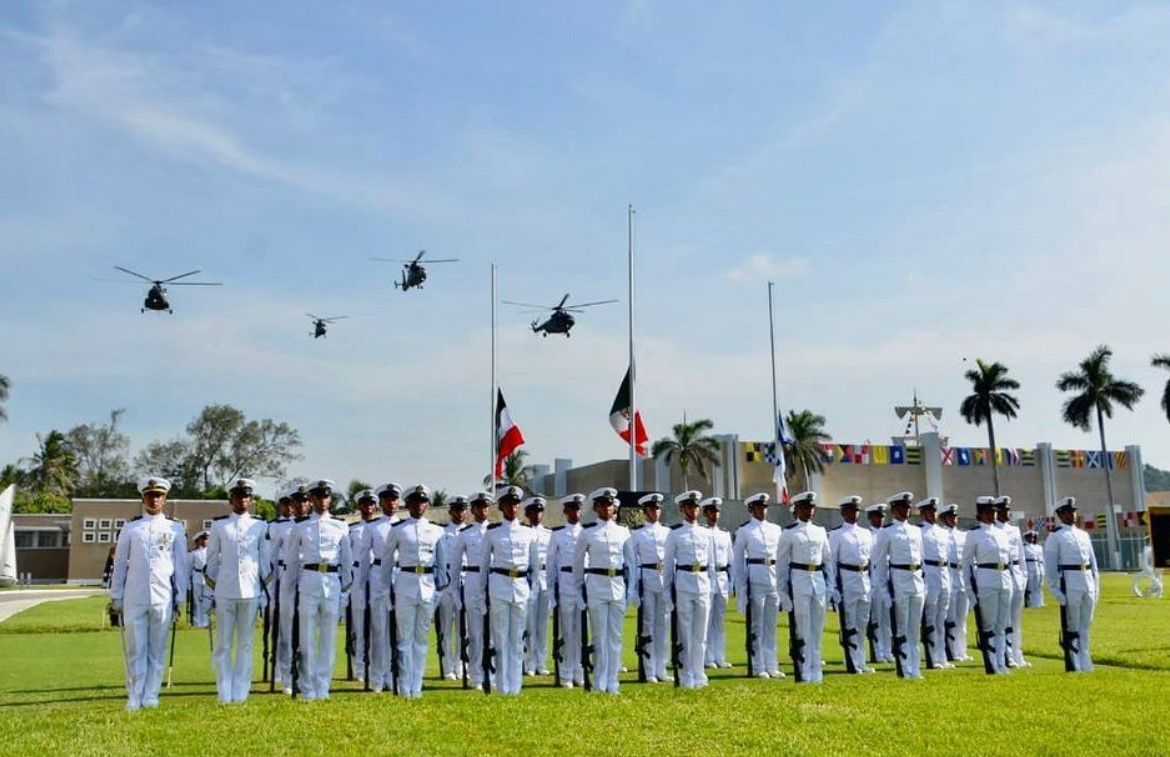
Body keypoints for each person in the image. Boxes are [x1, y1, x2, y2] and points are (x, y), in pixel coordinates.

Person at [108, 476, 189, 711]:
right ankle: (134, 695)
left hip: (163, 596)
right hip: (135, 595)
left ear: (165, 499)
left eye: (158, 496)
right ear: (143, 499)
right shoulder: (131, 528)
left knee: (157, 649)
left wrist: (180, 596)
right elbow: (120, 563)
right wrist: (116, 595)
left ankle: (151, 695)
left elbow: (181, 565)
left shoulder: (174, 528)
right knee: (136, 648)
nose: (154, 500)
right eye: (150, 496)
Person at [283, 479, 353, 701]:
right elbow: (292, 563)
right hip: (309, 580)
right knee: (306, 638)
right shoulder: (301, 526)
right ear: (311, 499)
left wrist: (345, 593)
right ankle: (307, 686)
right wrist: (287, 595)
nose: (322, 501)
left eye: (326, 496)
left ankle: (323, 686)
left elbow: (347, 563)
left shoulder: (341, 525)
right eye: (318, 497)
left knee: (328, 639)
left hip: (332, 582)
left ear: (330, 499)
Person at [205, 477, 272, 704]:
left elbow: (265, 561)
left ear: (251, 500)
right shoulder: (220, 525)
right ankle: (225, 693)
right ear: (231, 499)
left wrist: (267, 592)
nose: (242, 500)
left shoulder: (260, 525)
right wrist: (212, 590)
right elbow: (211, 560)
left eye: (246, 496)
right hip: (225, 590)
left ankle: (241, 693)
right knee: (223, 645)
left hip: (251, 590)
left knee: (246, 644)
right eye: (238, 496)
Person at [381, 484, 447, 698]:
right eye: (415, 502)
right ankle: (404, 686)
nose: (419, 505)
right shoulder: (398, 530)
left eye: (423, 501)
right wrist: (386, 593)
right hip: (405, 585)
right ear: (408, 504)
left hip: (427, 586)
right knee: (404, 640)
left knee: (421, 640)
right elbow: (386, 564)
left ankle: (416, 686)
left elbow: (442, 567)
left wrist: (438, 593)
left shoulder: (437, 530)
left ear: (427, 504)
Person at [572, 487, 632, 694]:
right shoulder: (587, 532)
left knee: (615, 636)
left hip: (617, 586)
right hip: (596, 585)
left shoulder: (623, 532)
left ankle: (613, 681)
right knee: (599, 636)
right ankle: (599, 681)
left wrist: (632, 590)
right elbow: (577, 565)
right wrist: (578, 592)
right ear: (596, 507)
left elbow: (631, 564)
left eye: (610, 504)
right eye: (604, 504)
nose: (608, 508)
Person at [480, 485, 537, 695]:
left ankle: (516, 686)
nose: (512, 507)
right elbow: (484, 567)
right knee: (501, 639)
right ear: (501, 506)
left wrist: (533, 592)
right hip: (500, 586)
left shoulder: (529, 533)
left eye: (515, 503)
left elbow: (534, 567)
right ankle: (503, 685)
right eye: (508, 504)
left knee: (517, 639)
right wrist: (481, 596)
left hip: (520, 587)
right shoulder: (492, 533)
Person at [777, 491, 832, 683]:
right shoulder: (789, 533)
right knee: (803, 629)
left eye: (811, 507)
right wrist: (783, 594)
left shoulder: (820, 531)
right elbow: (781, 565)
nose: (809, 510)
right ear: (797, 509)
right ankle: (805, 671)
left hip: (818, 580)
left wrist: (830, 586)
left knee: (817, 629)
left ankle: (816, 670)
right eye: (805, 507)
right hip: (799, 580)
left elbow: (827, 560)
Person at [663, 490, 716, 688]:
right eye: (689, 507)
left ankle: (699, 673)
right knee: (685, 633)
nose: (693, 510)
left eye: (695, 507)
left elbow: (711, 563)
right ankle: (686, 675)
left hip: (702, 583)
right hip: (684, 583)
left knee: (701, 634)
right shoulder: (675, 534)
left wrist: (712, 587)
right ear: (682, 509)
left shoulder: (705, 533)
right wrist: (667, 594)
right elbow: (668, 566)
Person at [872, 491, 926, 679]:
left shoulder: (916, 531)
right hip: (899, 580)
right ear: (894, 509)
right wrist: (884, 592)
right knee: (901, 627)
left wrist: (924, 583)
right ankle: (904, 667)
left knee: (915, 628)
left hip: (916, 580)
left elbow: (922, 559)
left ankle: (915, 667)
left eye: (908, 506)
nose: (906, 510)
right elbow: (880, 564)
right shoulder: (886, 532)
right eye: (903, 507)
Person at [1044, 496, 1099, 672]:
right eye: (1067, 512)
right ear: (1060, 515)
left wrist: (1096, 586)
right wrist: (1056, 591)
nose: (1072, 515)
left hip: (1087, 581)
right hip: (1070, 582)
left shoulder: (1083, 535)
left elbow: (1093, 564)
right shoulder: (1055, 536)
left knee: (1085, 624)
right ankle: (1074, 662)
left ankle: (1085, 659)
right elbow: (1050, 567)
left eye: (1073, 512)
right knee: (1072, 626)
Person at [357, 481, 403, 693]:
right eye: (387, 499)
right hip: (378, 575)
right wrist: (360, 587)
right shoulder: (372, 527)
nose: (391, 503)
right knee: (379, 629)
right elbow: (363, 558)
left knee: (399, 630)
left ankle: (395, 675)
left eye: (394, 499)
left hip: (400, 574)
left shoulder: (404, 526)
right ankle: (377, 676)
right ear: (381, 502)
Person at [733, 492, 785, 679]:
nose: (762, 510)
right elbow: (738, 562)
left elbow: (782, 557)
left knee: (771, 625)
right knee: (757, 625)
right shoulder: (745, 530)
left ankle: (771, 664)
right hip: (755, 578)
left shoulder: (776, 529)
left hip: (773, 577)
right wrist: (741, 591)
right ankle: (757, 665)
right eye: (758, 507)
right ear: (751, 509)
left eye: (764, 507)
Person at [962, 495, 1013, 675]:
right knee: (989, 625)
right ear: (981, 514)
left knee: (1002, 625)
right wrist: (970, 591)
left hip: (1004, 578)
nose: (992, 515)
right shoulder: (973, 534)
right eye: (988, 512)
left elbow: (1008, 560)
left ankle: (1001, 662)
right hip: (986, 579)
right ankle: (991, 663)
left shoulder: (1001, 533)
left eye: (994, 512)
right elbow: (967, 564)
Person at [451, 491, 493, 690]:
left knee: (494, 632)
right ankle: (476, 674)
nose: (483, 510)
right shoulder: (465, 534)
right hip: (473, 579)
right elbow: (455, 565)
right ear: (473, 509)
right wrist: (455, 592)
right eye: (479, 507)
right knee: (475, 632)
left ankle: (492, 672)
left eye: (486, 506)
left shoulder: (496, 531)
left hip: (494, 579)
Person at [268, 485, 307, 694]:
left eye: (304, 501)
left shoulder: (313, 524)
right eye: (296, 501)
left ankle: (305, 674)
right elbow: (273, 559)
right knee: (286, 628)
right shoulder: (280, 527)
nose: (299, 505)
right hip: (285, 575)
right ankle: (286, 675)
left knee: (306, 628)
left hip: (308, 575)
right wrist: (271, 589)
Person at [828, 495, 874, 674]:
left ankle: (861, 660)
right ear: (843, 512)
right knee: (849, 623)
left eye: (856, 510)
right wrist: (834, 587)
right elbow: (832, 562)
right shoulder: (837, 534)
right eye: (850, 510)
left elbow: (871, 561)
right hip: (847, 581)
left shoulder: (866, 533)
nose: (854, 513)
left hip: (864, 580)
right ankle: (852, 661)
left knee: (862, 623)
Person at [627, 492, 670, 683]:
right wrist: (634, 588)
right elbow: (633, 562)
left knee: (664, 625)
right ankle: (649, 668)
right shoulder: (637, 533)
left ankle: (661, 667)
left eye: (658, 508)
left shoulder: (667, 532)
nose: (656, 511)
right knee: (648, 625)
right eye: (652, 508)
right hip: (647, 579)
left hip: (663, 579)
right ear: (645, 511)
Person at [546, 493, 586, 687]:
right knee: (567, 631)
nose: (575, 513)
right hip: (566, 582)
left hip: (583, 583)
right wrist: (551, 591)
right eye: (571, 509)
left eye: (578, 509)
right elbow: (551, 564)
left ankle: (579, 670)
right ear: (565, 511)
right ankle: (566, 673)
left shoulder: (587, 532)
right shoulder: (557, 534)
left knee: (581, 631)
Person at [917, 497, 953, 670]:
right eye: (929, 511)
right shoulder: (919, 532)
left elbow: (948, 556)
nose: (933, 514)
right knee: (930, 618)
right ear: (923, 513)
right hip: (929, 573)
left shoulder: (943, 532)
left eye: (934, 511)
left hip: (943, 573)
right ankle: (932, 656)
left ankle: (941, 655)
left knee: (941, 617)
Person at [346, 489, 377, 684]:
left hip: (376, 574)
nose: (368, 507)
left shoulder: (381, 527)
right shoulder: (352, 529)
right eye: (365, 504)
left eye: (371, 504)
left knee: (376, 624)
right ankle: (359, 666)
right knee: (358, 624)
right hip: (357, 576)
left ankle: (375, 665)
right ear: (359, 506)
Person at [994, 495, 1029, 668]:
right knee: (1004, 619)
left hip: (1016, 574)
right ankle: (1006, 655)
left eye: (1008, 509)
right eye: (1004, 509)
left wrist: (1024, 576)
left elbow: (1021, 556)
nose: (1008, 512)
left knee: (1016, 619)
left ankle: (1017, 653)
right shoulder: (993, 529)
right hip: (1003, 573)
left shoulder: (1014, 530)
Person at [437, 495, 469, 681]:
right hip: (447, 582)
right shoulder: (442, 532)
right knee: (446, 628)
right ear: (450, 511)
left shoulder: (470, 532)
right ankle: (447, 666)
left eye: (463, 509)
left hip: (465, 580)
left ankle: (461, 664)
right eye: (456, 509)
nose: (460, 513)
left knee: (463, 629)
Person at [701, 496, 734, 669]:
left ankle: (719, 656)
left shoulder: (724, 534)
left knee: (719, 620)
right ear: (705, 513)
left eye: (717, 511)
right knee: (706, 619)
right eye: (711, 511)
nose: (715, 515)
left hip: (721, 578)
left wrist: (731, 582)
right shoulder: (702, 532)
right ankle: (707, 657)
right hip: (707, 577)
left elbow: (731, 560)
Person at [523, 496, 553, 676]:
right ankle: (529, 662)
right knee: (529, 625)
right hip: (528, 579)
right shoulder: (523, 532)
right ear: (527, 514)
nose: (537, 515)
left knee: (542, 624)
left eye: (540, 511)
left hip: (545, 578)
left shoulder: (549, 534)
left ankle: (541, 662)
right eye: (533, 512)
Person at [940, 503, 972, 662]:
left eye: (955, 516)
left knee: (962, 618)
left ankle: (962, 650)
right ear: (944, 518)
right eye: (950, 516)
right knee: (950, 617)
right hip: (949, 574)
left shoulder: (963, 535)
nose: (953, 519)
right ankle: (951, 650)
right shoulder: (942, 534)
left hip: (961, 575)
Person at [864, 503, 893, 663]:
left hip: (886, 578)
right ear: (870, 518)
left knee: (886, 619)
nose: (880, 519)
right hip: (873, 580)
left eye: (882, 516)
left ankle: (887, 650)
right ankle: (877, 652)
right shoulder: (866, 534)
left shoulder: (887, 533)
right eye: (877, 516)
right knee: (875, 619)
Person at [188, 532, 211, 629]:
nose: (206, 541)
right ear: (199, 540)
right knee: (197, 601)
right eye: (204, 539)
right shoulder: (193, 553)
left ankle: (206, 621)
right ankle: (197, 622)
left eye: (207, 539)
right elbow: (189, 568)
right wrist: (188, 583)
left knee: (207, 601)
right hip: (197, 578)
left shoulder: (211, 551)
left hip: (208, 580)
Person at [1022, 531, 1045, 607]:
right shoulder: (1024, 547)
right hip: (1029, 567)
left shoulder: (1037, 547)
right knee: (1030, 586)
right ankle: (1031, 603)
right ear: (1026, 538)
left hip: (1038, 567)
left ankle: (1039, 602)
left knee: (1038, 585)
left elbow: (1041, 559)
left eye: (1033, 537)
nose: (1032, 539)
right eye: (1030, 537)